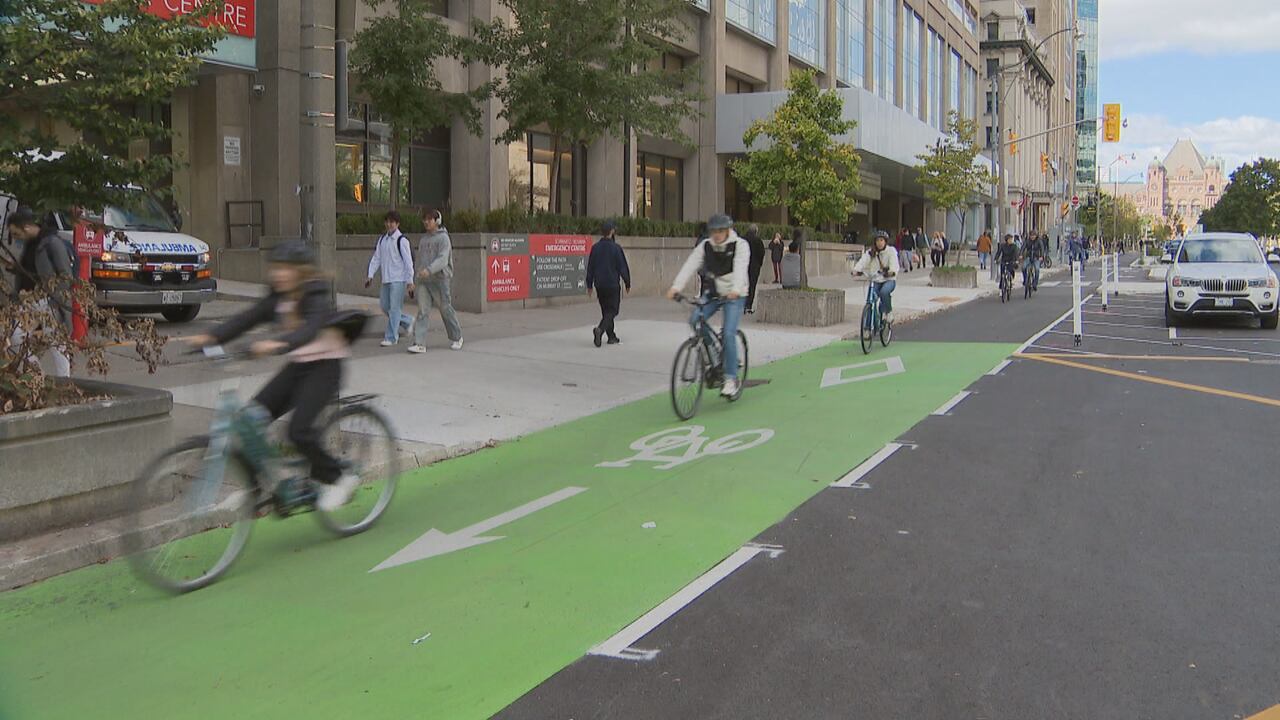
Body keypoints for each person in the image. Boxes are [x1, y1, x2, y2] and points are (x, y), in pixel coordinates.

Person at [187, 241, 360, 511]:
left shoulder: (315, 292)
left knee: (298, 431)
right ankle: (255, 488)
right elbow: (247, 319)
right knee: (248, 421)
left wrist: (279, 343)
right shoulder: (277, 298)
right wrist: (212, 336)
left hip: (326, 366)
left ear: (300, 271)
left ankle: (339, 479)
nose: (279, 274)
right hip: (299, 366)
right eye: (276, 268)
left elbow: (312, 329)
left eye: (286, 269)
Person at [667, 214, 750, 398]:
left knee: (728, 332)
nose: (717, 235)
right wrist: (676, 286)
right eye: (714, 231)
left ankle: (730, 379)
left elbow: (740, 268)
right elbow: (690, 265)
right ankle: (714, 354)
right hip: (713, 292)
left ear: (728, 230)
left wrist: (735, 289)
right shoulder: (706, 246)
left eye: (721, 231)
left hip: (734, 295)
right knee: (695, 319)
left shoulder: (740, 246)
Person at [5, 206, 72, 377]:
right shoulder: (30, 244)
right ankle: (37, 375)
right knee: (16, 337)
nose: (16, 238)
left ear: (26, 227)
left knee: (57, 344)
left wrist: (55, 299)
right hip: (28, 300)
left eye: (17, 233)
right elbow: (30, 270)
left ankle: (63, 381)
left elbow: (65, 275)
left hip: (48, 300)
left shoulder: (52, 243)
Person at [408, 208, 463, 354]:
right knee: (423, 310)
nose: (426, 222)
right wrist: (415, 279)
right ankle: (419, 343)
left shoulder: (443, 238)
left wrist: (430, 270)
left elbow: (443, 259)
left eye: (429, 219)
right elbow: (420, 261)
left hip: (440, 279)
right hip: (424, 281)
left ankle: (457, 337)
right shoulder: (424, 239)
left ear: (437, 221)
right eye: (424, 219)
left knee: (445, 309)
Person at [365, 210, 414, 347]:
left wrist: (410, 281)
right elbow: (376, 258)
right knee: (385, 306)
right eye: (387, 221)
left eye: (392, 222)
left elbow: (408, 262)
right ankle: (407, 321)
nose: (389, 224)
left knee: (394, 308)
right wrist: (370, 275)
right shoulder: (383, 240)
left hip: (398, 279)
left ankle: (391, 337)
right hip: (386, 278)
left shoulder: (402, 240)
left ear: (397, 224)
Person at [586, 219, 631, 346]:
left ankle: (611, 336)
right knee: (613, 311)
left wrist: (589, 284)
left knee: (606, 311)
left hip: (599, 284)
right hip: (612, 284)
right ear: (612, 232)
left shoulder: (595, 248)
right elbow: (622, 267)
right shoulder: (616, 248)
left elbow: (590, 267)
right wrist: (627, 282)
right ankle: (600, 330)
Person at [851, 230, 900, 324]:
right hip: (875, 280)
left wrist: (891, 272)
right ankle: (867, 329)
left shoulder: (891, 251)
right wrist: (856, 270)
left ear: (885, 241)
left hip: (888, 280)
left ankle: (888, 312)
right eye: (877, 240)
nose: (879, 243)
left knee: (884, 292)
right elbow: (863, 261)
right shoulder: (871, 252)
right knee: (870, 301)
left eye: (882, 240)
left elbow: (894, 264)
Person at [744, 223, 765, 313]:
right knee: (752, 285)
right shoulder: (758, 240)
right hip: (754, 265)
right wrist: (759, 263)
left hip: (743, 264)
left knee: (743, 285)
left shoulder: (742, 240)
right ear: (756, 231)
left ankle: (741, 304)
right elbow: (761, 253)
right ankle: (748, 305)